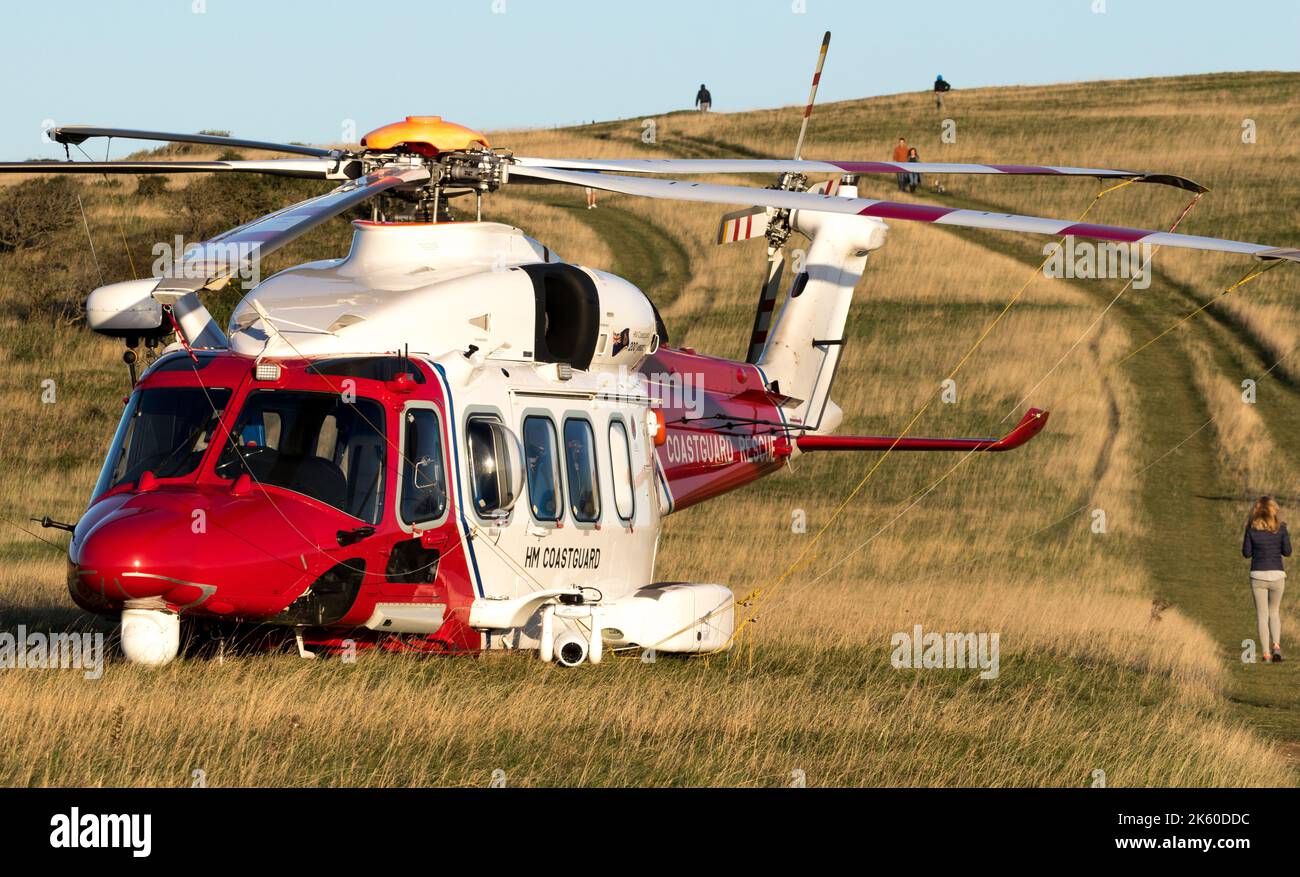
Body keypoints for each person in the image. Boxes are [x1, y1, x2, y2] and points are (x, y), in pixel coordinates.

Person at [1243, 495, 1291, 662]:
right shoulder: (1281, 528)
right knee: (1274, 612)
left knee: (1262, 615)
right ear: (1273, 510)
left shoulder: (1250, 529)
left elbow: (1246, 553)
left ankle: (1265, 653)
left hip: (1258, 575)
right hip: (1277, 575)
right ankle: (1276, 646)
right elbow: (1287, 552)